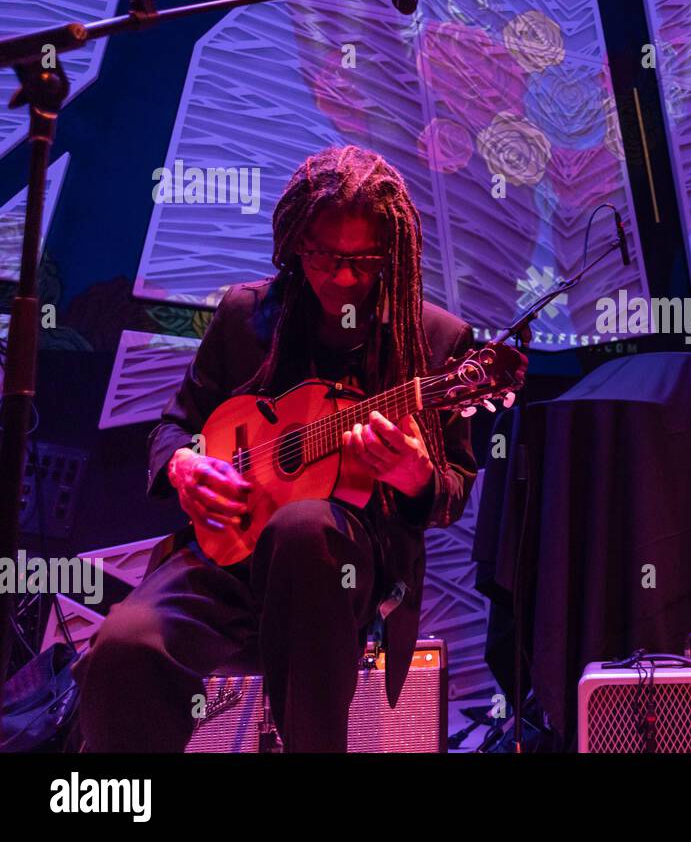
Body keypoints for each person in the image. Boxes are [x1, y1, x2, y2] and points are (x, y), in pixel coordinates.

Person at [74, 146, 477, 751]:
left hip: (341, 568)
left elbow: (452, 490)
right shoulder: (246, 316)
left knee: (304, 526)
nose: (343, 277)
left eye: (364, 260)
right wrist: (185, 466)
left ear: (391, 253)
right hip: (228, 555)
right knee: (124, 647)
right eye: (323, 256)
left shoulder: (434, 340)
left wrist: (418, 477)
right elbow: (172, 428)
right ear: (293, 242)